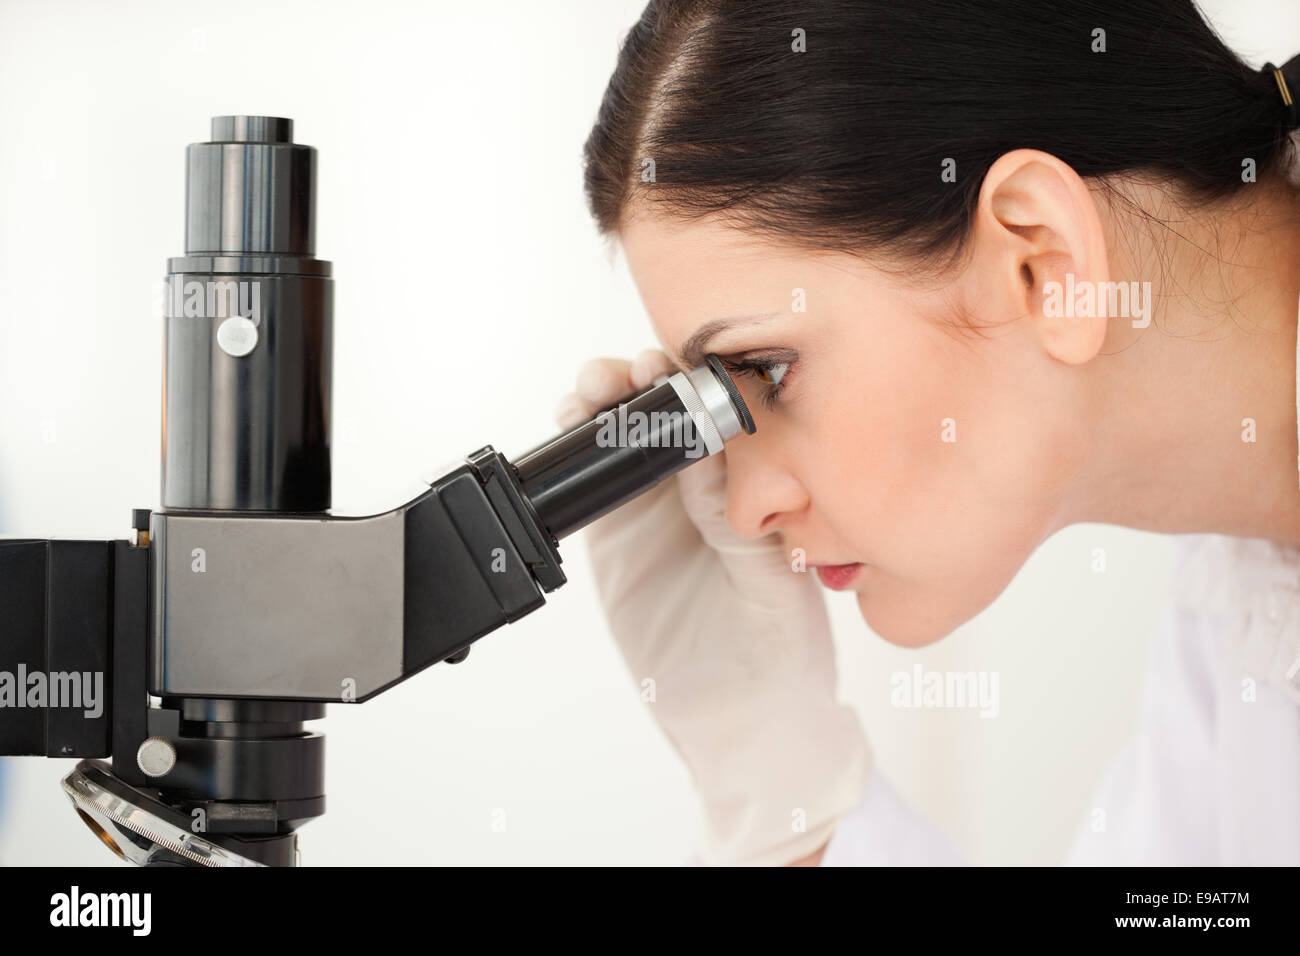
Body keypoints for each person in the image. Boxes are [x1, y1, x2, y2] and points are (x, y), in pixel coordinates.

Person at [552, 0, 1300, 865]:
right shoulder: (1248, 597)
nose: (747, 504)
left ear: (1044, 262)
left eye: (766, 372)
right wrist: (790, 799)